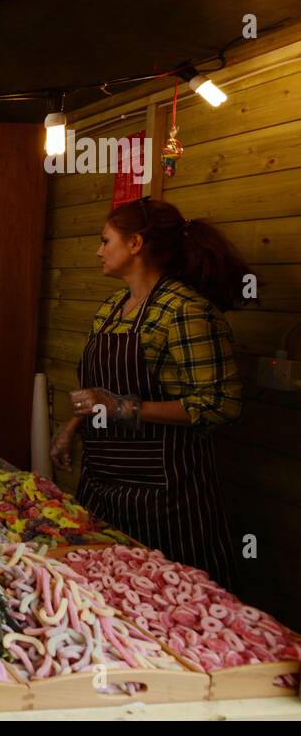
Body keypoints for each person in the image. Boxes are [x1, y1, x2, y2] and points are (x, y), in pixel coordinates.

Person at [51, 197, 248, 586]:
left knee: (171, 603)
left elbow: (220, 405)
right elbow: (99, 391)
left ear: (136, 244)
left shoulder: (185, 311)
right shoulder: (110, 309)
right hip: (102, 485)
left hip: (165, 498)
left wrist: (121, 407)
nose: (97, 251)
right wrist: (71, 427)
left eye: (105, 241)